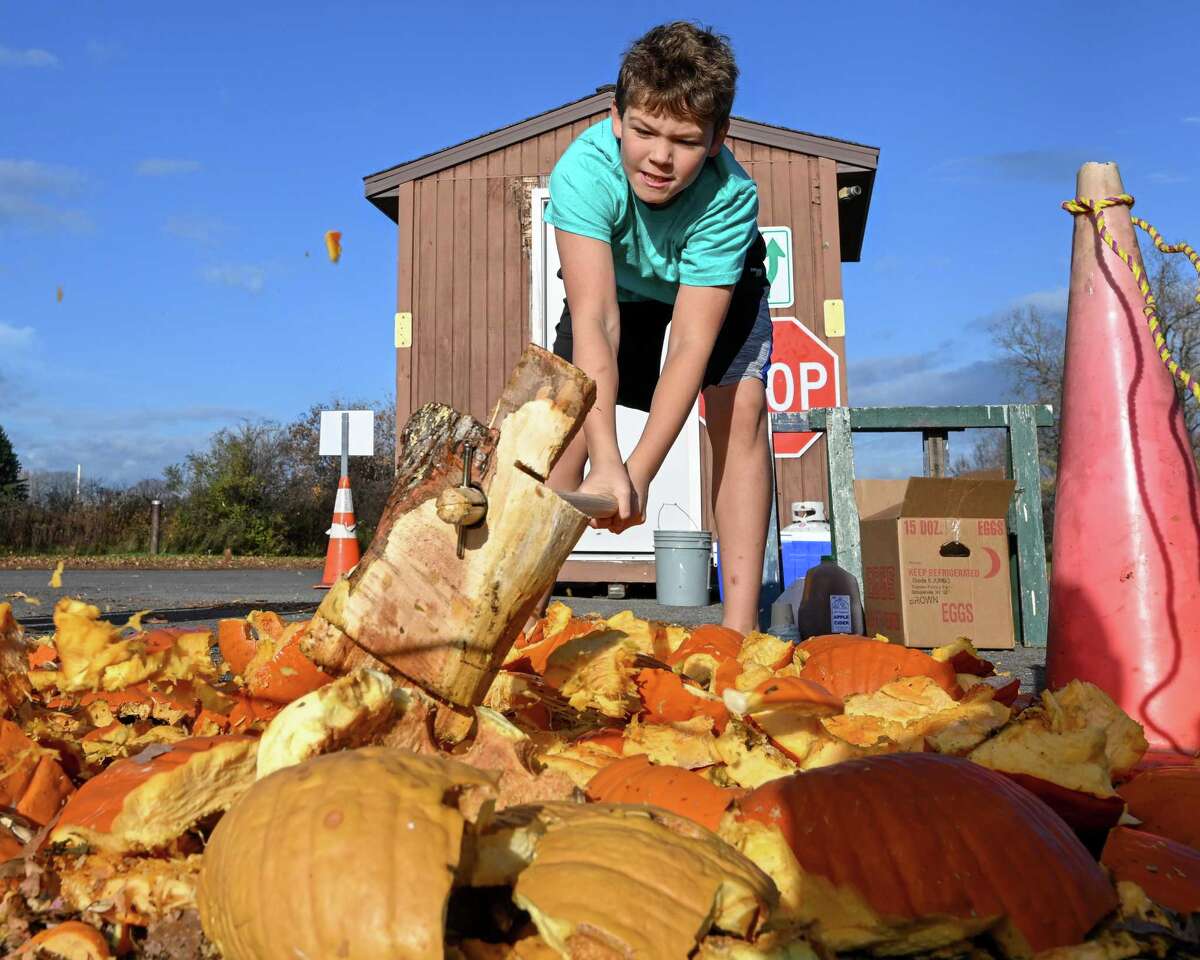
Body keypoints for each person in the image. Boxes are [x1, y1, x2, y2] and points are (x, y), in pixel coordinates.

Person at [544, 20, 772, 634]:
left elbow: (691, 346)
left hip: (716, 289)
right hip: (616, 293)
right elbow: (597, 321)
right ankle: (518, 613)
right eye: (643, 131)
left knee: (741, 406)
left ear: (719, 138)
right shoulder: (582, 173)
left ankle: (741, 629)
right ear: (616, 118)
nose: (660, 157)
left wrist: (637, 473)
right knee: (560, 416)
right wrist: (606, 462)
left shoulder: (730, 197)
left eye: (685, 140)